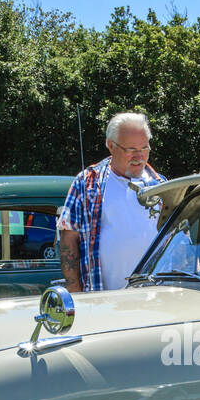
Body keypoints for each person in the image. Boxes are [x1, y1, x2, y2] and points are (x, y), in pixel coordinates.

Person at [57, 113, 166, 292]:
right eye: (131, 149)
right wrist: (75, 292)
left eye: (144, 148)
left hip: (155, 300)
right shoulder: (87, 183)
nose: (139, 157)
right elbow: (68, 239)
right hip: (104, 303)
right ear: (111, 146)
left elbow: (180, 239)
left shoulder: (161, 184)